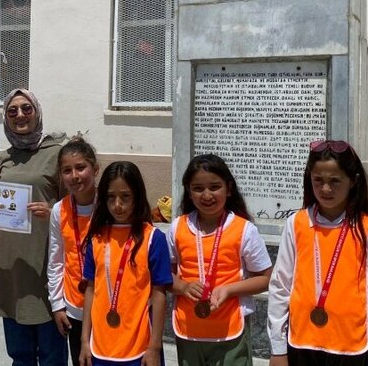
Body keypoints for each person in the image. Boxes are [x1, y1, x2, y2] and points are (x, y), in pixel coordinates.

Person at [267, 140, 368, 366]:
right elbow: (281, 285)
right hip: (301, 343)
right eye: (318, 180)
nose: (326, 189)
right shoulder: (296, 223)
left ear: (353, 182)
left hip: (350, 347)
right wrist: (278, 349)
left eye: (335, 181)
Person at [0, 88, 68, 366]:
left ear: (37, 111)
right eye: (12, 111)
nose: (20, 115)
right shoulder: (2, 160)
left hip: (45, 262)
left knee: (51, 354)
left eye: (26, 108)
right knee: (20, 355)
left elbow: (76, 207)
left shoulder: (57, 153)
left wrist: (53, 211)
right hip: (12, 266)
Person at [168, 154, 272, 366]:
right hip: (189, 330)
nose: (207, 195)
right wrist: (183, 286)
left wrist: (229, 290)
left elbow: (265, 278)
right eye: (198, 188)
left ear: (229, 188)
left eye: (215, 187)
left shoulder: (244, 229)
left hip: (231, 331)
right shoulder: (177, 227)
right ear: (189, 191)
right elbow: (164, 274)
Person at [78, 161, 171, 366]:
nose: (117, 205)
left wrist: (155, 346)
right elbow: (91, 290)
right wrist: (85, 340)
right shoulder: (96, 238)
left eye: (125, 197)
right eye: (111, 197)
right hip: (100, 345)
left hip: (140, 346)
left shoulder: (153, 238)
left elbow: (159, 293)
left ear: (137, 197)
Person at [48, 137, 100, 366]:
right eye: (67, 170)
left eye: (81, 167)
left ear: (95, 169)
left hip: (108, 303)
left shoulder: (109, 207)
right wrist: (57, 304)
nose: (74, 176)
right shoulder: (60, 210)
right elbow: (56, 260)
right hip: (75, 306)